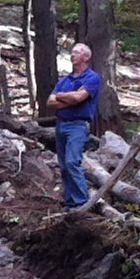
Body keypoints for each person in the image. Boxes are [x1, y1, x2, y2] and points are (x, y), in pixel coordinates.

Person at [44, 42, 101, 208]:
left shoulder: (92, 77)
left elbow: (78, 98)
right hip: (61, 125)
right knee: (63, 166)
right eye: (72, 52)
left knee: (72, 162)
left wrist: (61, 96)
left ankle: (82, 203)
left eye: (77, 52)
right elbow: (50, 101)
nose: (72, 55)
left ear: (86, 57)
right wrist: (70, 98)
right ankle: (70, 203)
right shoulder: (65, 80)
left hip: (77, 126)